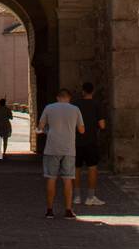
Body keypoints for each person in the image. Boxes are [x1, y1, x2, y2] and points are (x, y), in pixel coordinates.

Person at [37, 87, 85, 219]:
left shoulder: (49, 108)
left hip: (52, 148)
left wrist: (46, 129)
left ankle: (49, 210)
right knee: (68, 179)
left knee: (51, 178)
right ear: (69, 98)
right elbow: (81, 130)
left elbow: (40, 127)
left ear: (57, 98)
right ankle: (68, 210)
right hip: (69, 149)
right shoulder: (75, 109)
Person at [73, 82, 106, 206]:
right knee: (92, 168)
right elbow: (102, 125)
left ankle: (76, 197)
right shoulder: (97, 104)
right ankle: (90, 197)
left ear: (83, 91)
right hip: (91, 141)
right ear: (93, 91)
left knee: (76, 168)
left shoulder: (75, 105)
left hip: (76, 141)